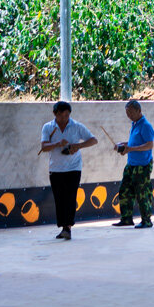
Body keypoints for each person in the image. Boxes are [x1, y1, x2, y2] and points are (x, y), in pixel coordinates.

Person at [39, 101, 97, 241]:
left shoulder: (76, 126)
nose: (64, 118)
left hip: (73, 167)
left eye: (66, 115)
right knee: (59, 199)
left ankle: (67, 228)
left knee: (70, 197)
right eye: (60, 115)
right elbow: (44, 147)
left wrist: (78, 146)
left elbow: (93, 140)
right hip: (56, 168)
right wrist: (58, 144)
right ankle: (64, 226)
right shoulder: (48, 127)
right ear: (55, 114)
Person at [112, 99, 154, 228]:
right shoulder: (134, 124)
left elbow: (149, 144)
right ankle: (126, 218)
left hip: (142, 165)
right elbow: (133, 143)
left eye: (131, 112)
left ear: (139, 111)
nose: (129, 115)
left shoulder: (145, 125)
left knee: (142, 193)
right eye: (127, 113)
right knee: (124, 190)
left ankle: (146, 220)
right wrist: (123, 145)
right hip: (131, 163)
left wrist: (130, 149)